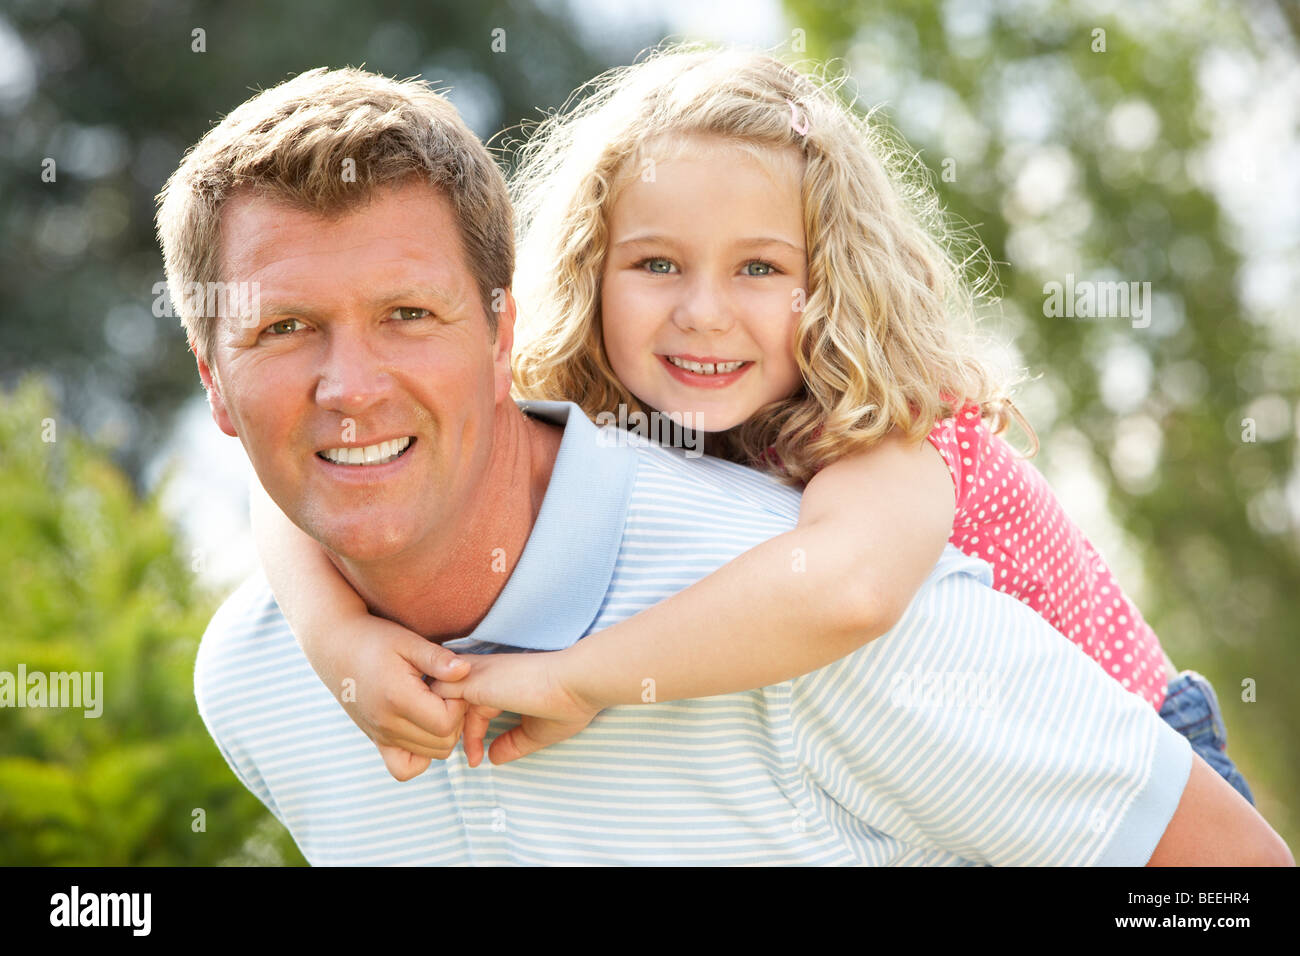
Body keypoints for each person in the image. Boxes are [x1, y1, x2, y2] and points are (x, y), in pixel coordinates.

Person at [161, 65, 1290, 865]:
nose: (703, 314)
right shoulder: (612, 432)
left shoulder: (877, 438)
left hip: (1141, 737)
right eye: (656, 263)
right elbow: (315, 495)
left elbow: (844, 591)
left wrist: (580, 677)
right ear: (588, 276)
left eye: (759, 267)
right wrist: (337, 642)